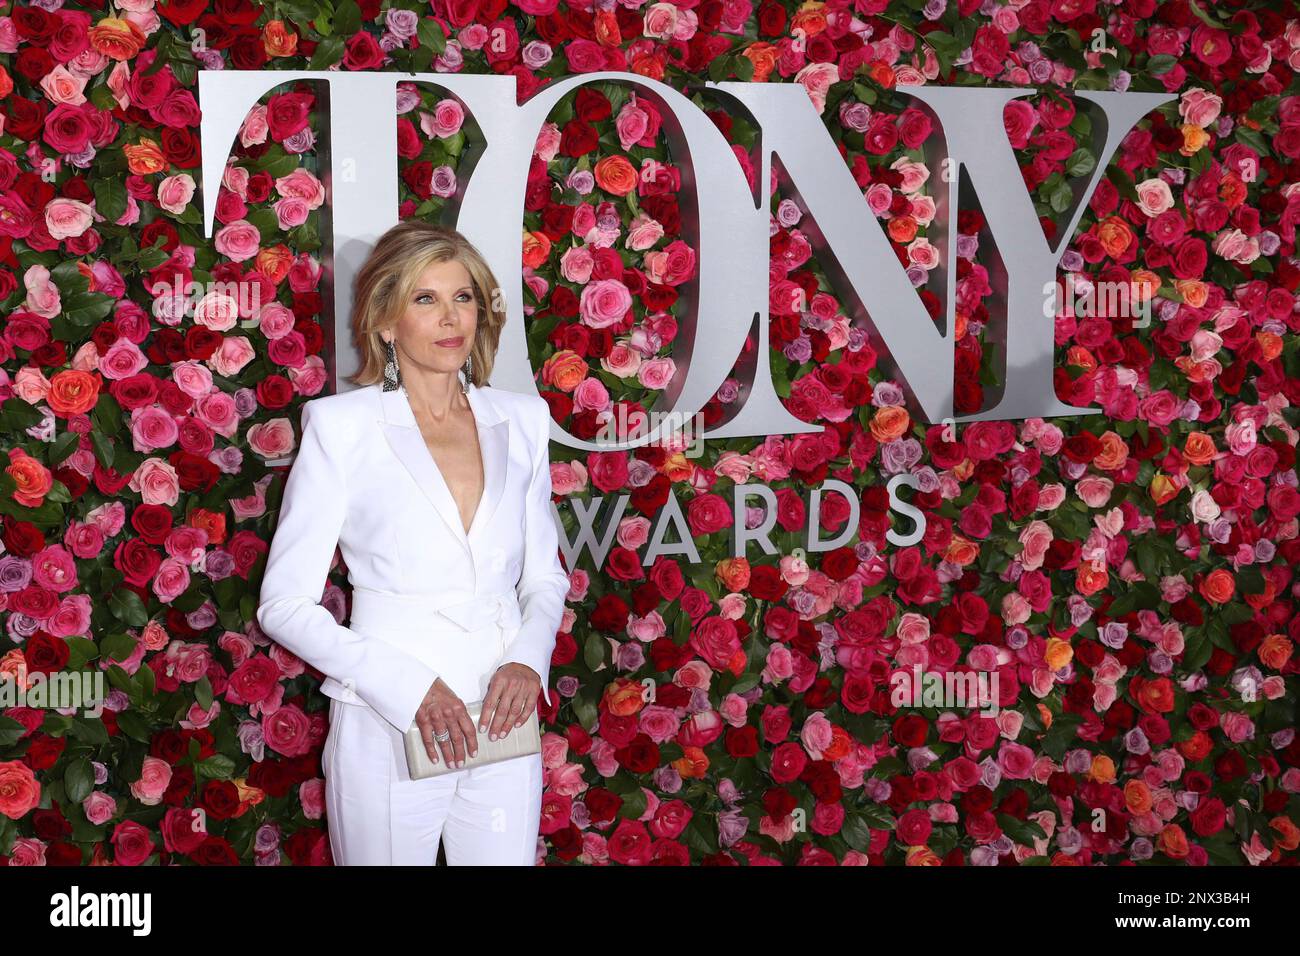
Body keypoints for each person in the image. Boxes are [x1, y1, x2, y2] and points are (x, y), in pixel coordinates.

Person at [255, 221, 570, 865]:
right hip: (389, 725)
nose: (450, 318)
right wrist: (405, 687)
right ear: (385, 320)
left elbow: (545, 576)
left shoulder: (522, 420)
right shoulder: (341, 429)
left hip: (503, 723)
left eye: (464, 297)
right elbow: (283, 605)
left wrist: (528, 660)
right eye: (426, 299)